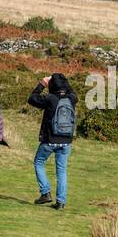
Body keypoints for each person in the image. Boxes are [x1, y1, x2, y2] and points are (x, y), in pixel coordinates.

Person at [28, 72, 76, 210]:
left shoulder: (50, 98)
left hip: (49, 140)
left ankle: (45, 193)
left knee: (39, 162)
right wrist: (65, 83)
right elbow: (71, 91)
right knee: (61, 171)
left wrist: (42, 84)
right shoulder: (72, 98)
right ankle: (61, 202)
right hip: (66, 141)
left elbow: (31, 98)